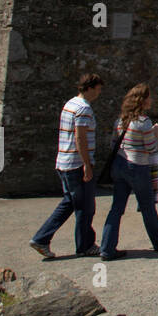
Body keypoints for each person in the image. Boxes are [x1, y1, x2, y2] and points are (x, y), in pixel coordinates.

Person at [98, 84, 158, 261]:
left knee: (116, 208)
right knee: (147, 205)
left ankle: (107, 247)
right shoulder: (144, 123)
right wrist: (156, 132)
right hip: (137, 166)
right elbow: (151, 148)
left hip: (119, 164)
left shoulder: (120, 121)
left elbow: (113, 144)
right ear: (142, 100)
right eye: (148, 97)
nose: (151, 100)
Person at [30, 74, 104, 259]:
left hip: (64, 162)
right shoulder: (83, 109)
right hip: (75, 164)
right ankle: (85, 245)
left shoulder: (70, 104)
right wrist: (87, 164)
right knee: (85, 207)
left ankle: (42, 239)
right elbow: (80, 138)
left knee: (71, 203)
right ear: (90, 87)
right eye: (98, 89)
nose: (99, 93)